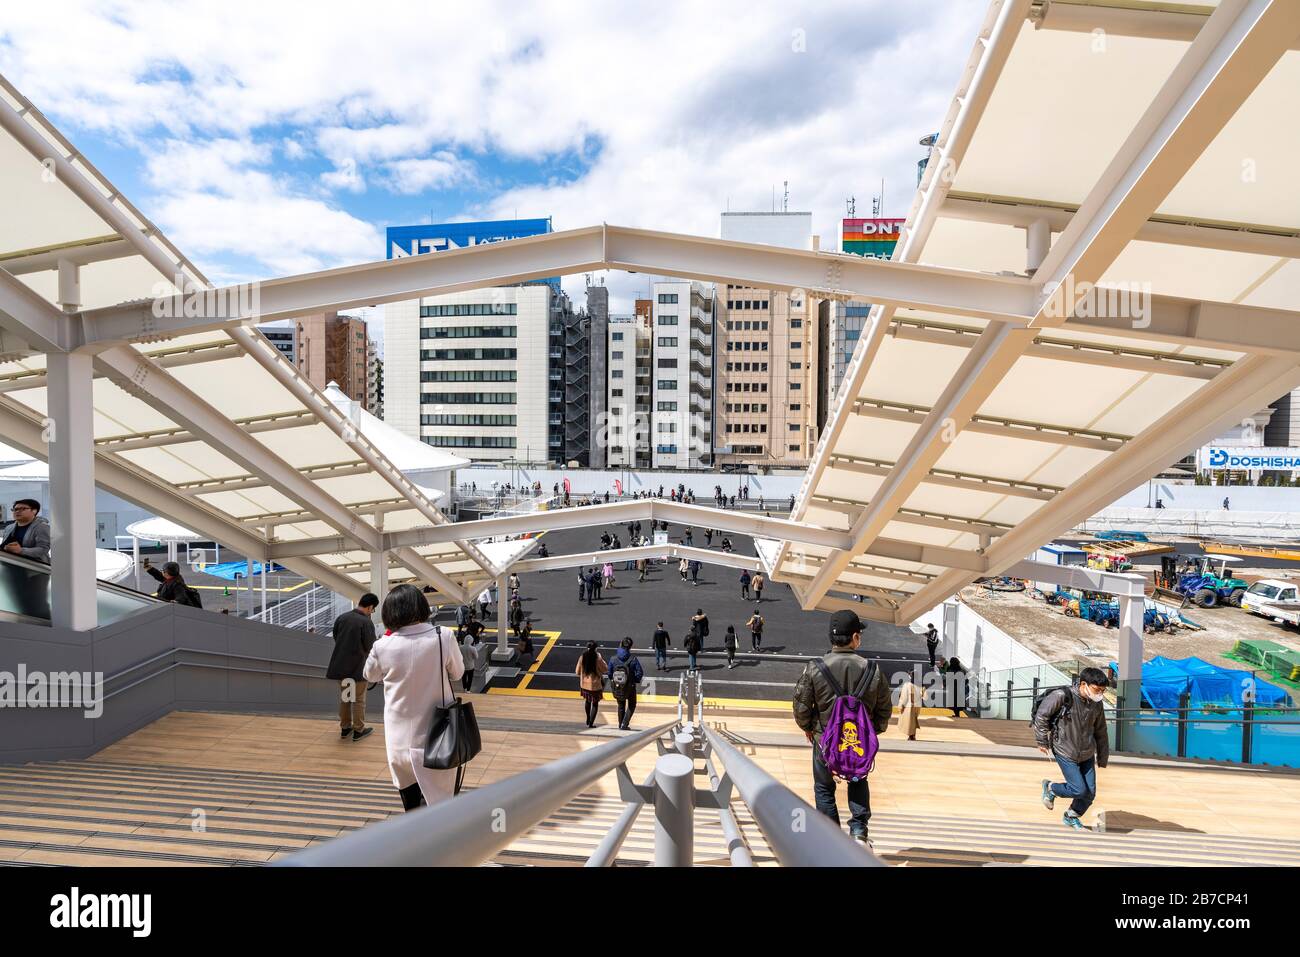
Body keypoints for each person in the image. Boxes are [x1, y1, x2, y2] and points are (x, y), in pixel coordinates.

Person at [792, 609, 893, 845]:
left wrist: (808, 727)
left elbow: (801, 705)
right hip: (857, 741)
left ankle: (831, 837)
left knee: (824, 788)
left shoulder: (815, 667)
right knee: (858, 779)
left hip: (823, 739)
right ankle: (858, 831)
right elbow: (884, 710)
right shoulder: (872, 670)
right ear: (855, 637)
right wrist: (869, 732)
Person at [363, 584, 466, 811]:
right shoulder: (443, 637)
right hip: (439, 734)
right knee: (441, 803)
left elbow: (369, 675)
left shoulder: (382, 646)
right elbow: (458, 673)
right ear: (422, 607)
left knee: (411, 804)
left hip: (400, 739)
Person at [1034, 667, 1111, 831]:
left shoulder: (1097, 704)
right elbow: (1042, 716)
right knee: (1078, 788)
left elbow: (1101, 730)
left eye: (1103, 691)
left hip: (1087, 752)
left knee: (1089, 793)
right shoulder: (1062, 696)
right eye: (1097, 690)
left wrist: (1103, 757)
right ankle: (1050, 788)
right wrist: (1042, 741)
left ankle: (1071, 816)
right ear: (1084, 684)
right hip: (1065, 749)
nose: (1100, 694)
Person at [326, 592, 379, 741]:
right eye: (372, 609)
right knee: (358, 700)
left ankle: (345, 728)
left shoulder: (342, 618)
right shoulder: (366, 622)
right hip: (358, 668)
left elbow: (336, 637)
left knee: (345, 698)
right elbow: (371, 646)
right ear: (370, 607)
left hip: (340, 667)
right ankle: (358, 730)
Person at [608, 637, 645, 730]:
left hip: (618, 686)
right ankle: (624, 724)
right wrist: (634, 680)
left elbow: (609, 673)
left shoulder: (613, 658)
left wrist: (614, 680)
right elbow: (640, 672)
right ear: (630, 647)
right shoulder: (633, 659)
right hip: (630, 686)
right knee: (632, 705)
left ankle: (620, 724)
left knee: (621, 705)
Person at [576, 640, 608, 728]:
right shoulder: (598, 657)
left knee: (587, 701)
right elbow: (605, 668)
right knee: (595, 704)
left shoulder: (582, 657)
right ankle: (591, 723)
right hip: (595, 685)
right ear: (596, 648)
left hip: (585, 685)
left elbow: (577, 672)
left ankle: (588, 718)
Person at [898, 670, 923, 741]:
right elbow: (925, 696)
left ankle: (911, 736)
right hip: (918, 705)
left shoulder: (908, 685)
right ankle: (913, 735)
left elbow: (904, 696)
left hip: (910, 705)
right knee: (914, 720)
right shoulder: (920, 685)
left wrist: (902, 705)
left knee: (910, 721)